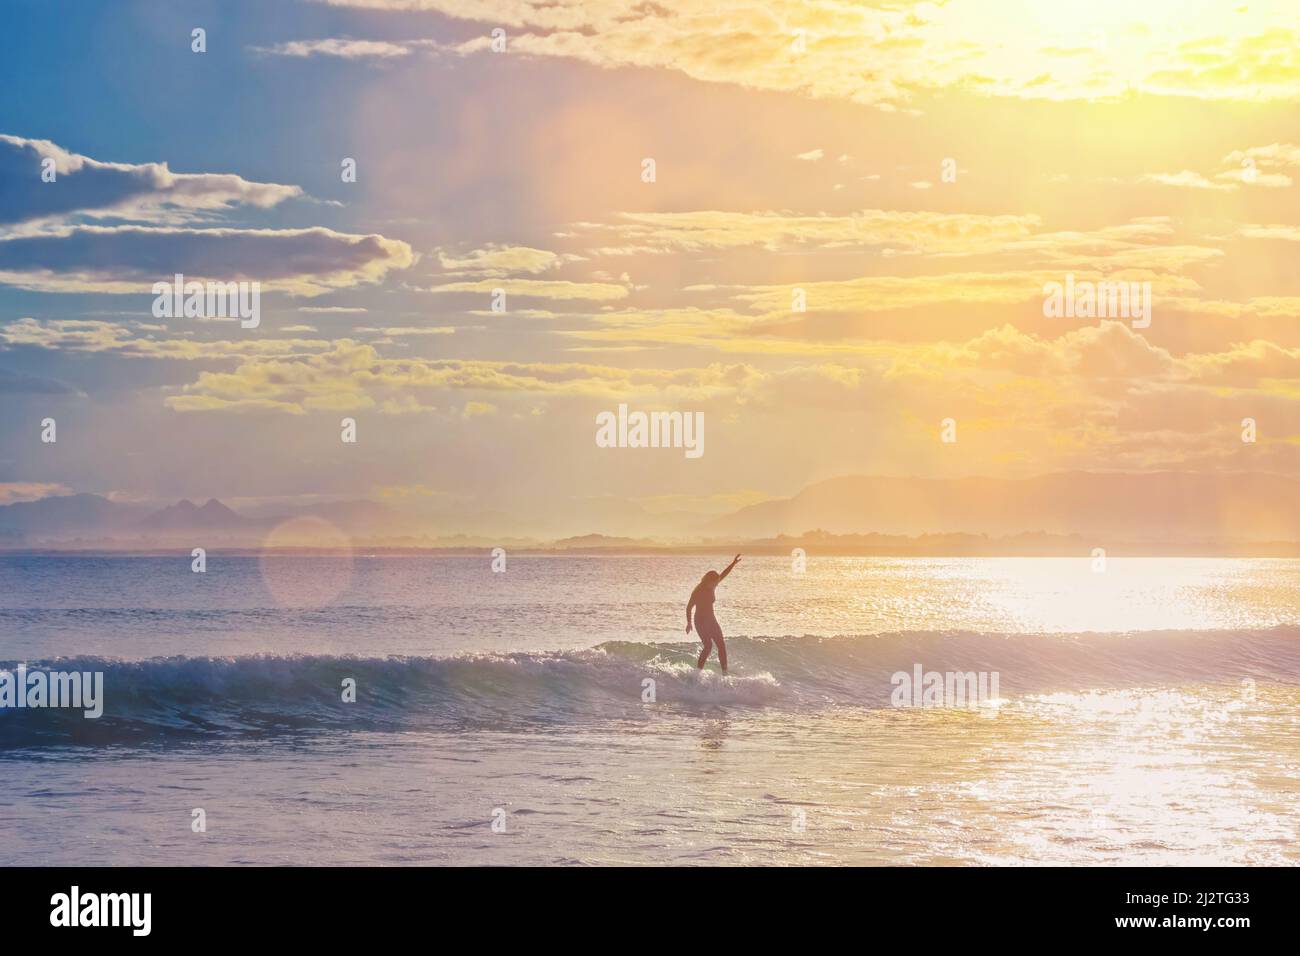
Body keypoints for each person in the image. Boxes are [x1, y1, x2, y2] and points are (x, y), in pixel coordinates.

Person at [686, 554, 740, 672]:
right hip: (700, 621)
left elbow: (723, 575)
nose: (716, 584)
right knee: (708, 646)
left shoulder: (712, 587)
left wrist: (733, 563)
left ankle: (725, 673)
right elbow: (689, 607)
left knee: (721, 645)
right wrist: (689, 623)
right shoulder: (698, 592)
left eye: (717, 583)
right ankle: (698, 672)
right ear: (708, 581)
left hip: (711, 620)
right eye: (715, 583)